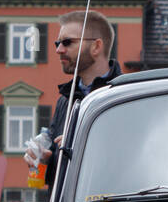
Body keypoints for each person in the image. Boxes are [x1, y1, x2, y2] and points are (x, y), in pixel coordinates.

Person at [25, 10, 121, 189]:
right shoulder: (65, 99)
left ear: (96, 47)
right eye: (58, 43)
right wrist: (47, 159)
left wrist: (84, 144)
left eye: (67, 42)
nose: (58, 49)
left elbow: (133, 163)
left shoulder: (123, 96)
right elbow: (62, 175)